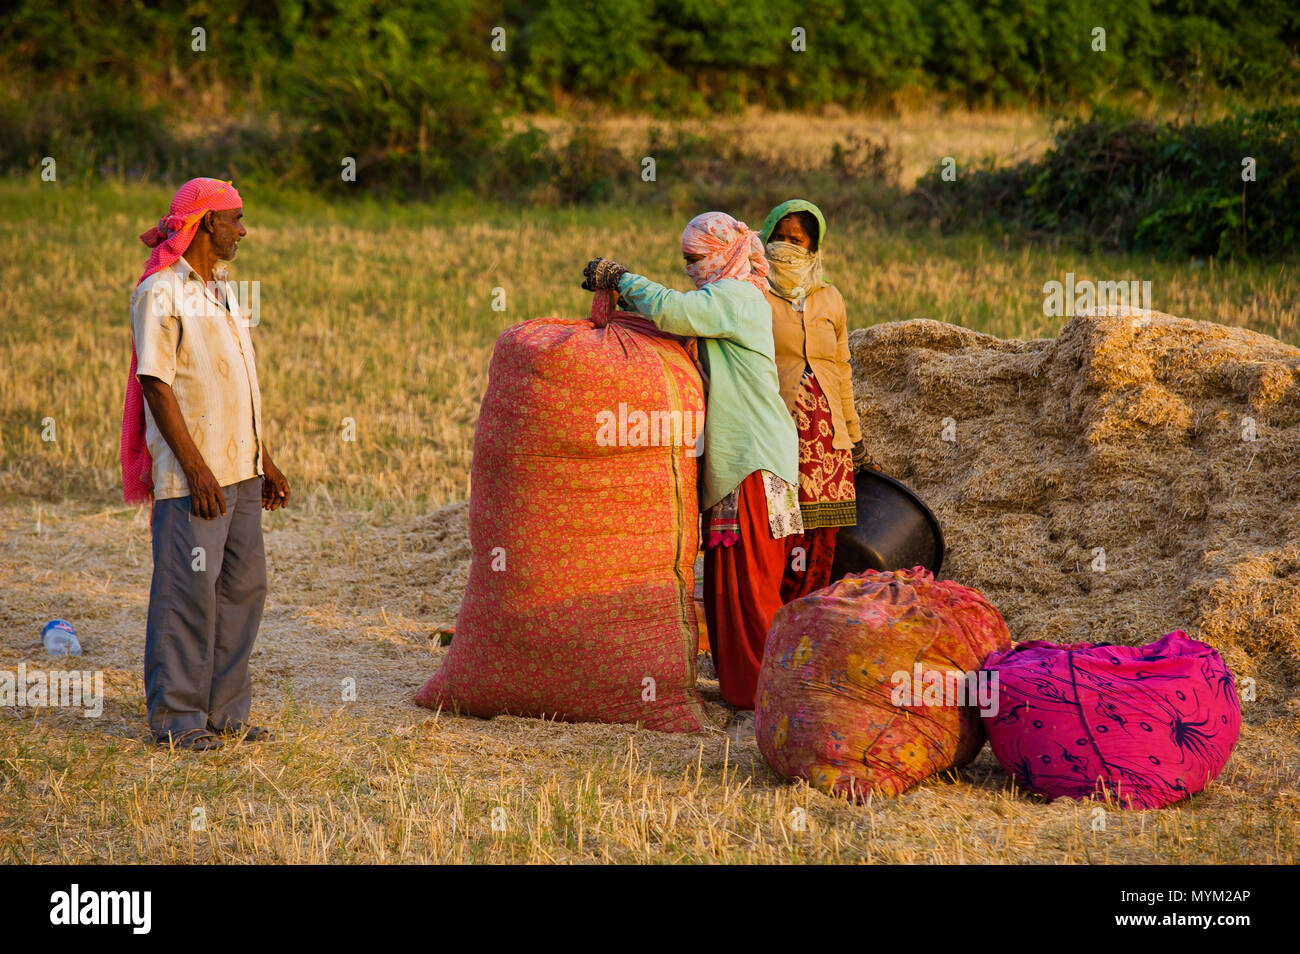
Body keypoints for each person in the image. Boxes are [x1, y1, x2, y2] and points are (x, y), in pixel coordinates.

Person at [582, 212, 800, 711]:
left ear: (724, 253)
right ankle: (747, 691)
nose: (689, 269)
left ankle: (765, 697)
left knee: (750, 586)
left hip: (753, 459)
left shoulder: (737, 298)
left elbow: (673, 311)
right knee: (728, 584)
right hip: (744, 460)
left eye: (695, 258)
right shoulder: (728, 298)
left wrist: (624, 280)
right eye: (684, 260)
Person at [121, 177, 290, 751]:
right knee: (187, 591)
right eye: (235, 218)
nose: (243, 230)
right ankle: (177, 719)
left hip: (240, 470)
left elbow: (234, 386)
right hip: (194, 477)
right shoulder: (160, 291)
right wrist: (196, 470)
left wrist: (265, 459)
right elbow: (156, 383)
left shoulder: (221, 291)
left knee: (242, 589)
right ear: (206, 223)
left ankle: (224, 713)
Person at [759, 199, 877, 603]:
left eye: (796, 240)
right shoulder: (754, 294)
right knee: (780, 528)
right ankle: (774, 613)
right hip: (778, 435)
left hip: (828, 442)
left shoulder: (830, 298)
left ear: (813, 247)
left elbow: (842, 371)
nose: (785, 246)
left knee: (821, 539)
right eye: (779, 237)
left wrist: (854, 439)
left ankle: (809, 614)